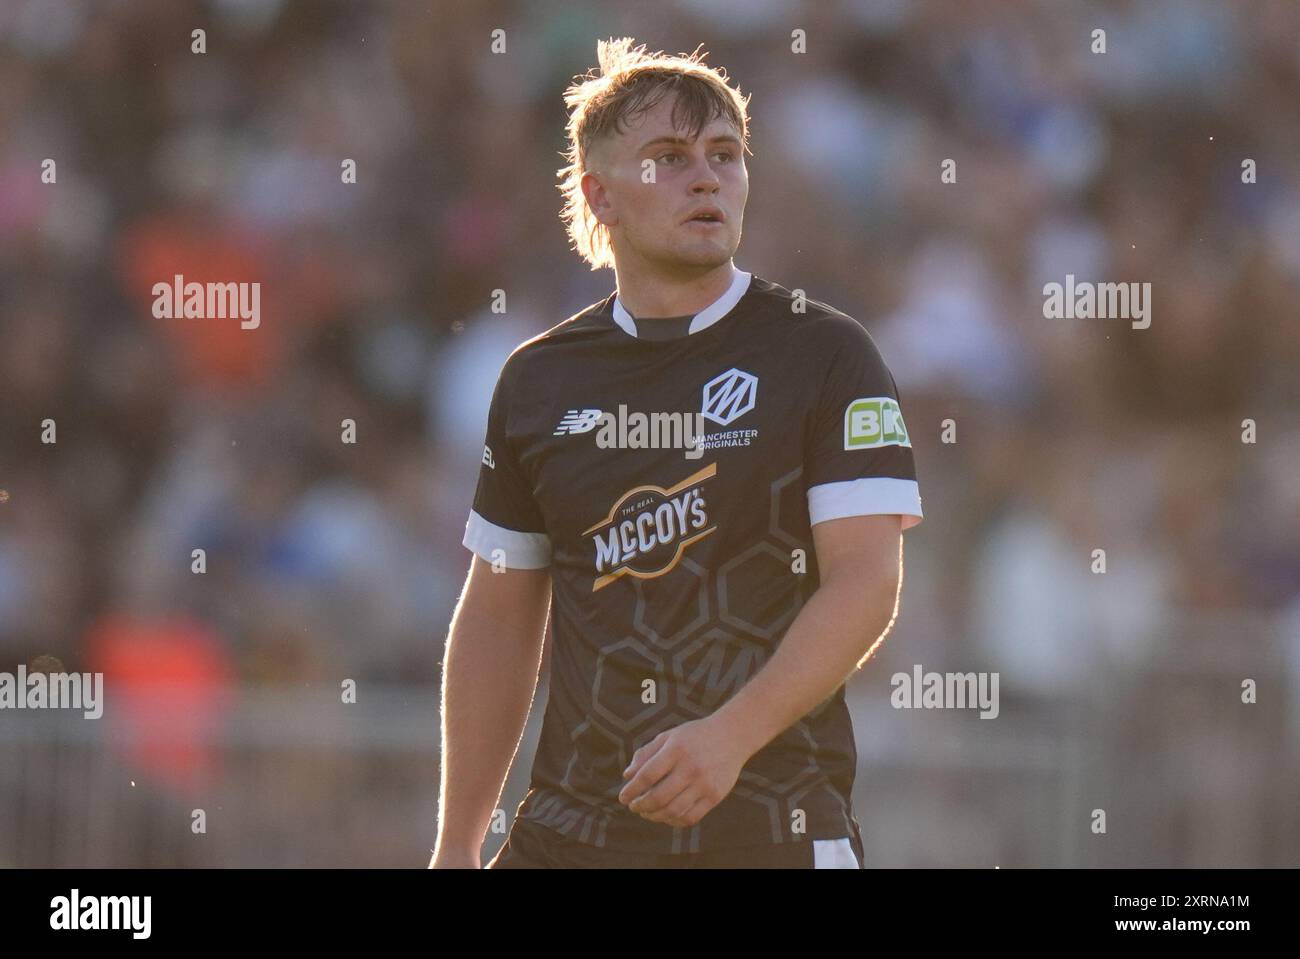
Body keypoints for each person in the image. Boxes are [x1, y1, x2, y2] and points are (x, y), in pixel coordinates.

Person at [430, 37, 922, 870]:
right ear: (599, 194)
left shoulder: (826, 355)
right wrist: (455, 843)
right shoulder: (538, 379)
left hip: (772, 827)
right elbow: (497, 614)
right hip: (567, 836)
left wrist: (729, 736)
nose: (707, 177)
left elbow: (868, 581)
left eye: (725, 155)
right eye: (668, 157)